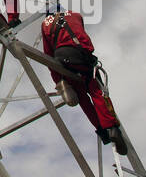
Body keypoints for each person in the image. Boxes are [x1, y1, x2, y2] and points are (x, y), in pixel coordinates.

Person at [41, 9, 127, 153]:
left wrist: (59, 81)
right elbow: (80, 33)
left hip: (63, 59)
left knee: (82, 98)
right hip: (82, 55)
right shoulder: (75, 14)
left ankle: (101, 130)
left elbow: (48, 55)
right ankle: (111, 127)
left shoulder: (45, 24)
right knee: (97, 91)